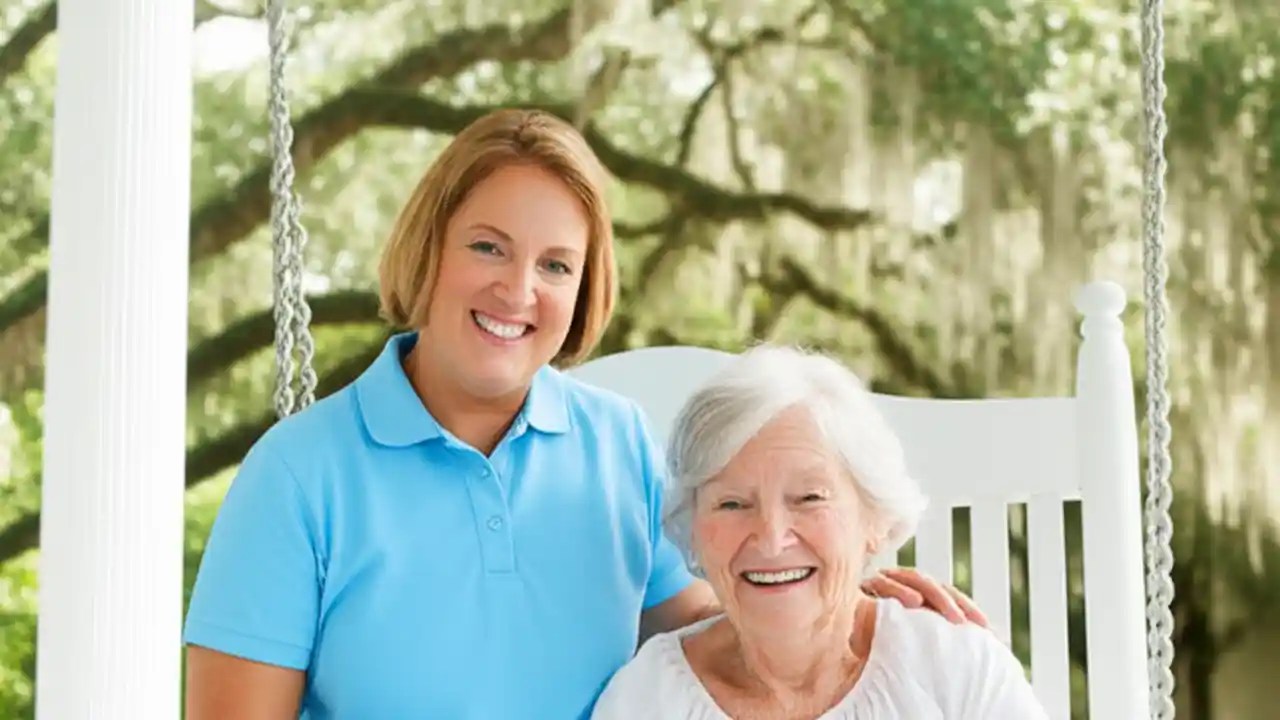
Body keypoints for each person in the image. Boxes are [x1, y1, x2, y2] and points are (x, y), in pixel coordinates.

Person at [182, 108, 982, 720]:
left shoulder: (617, 445)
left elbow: (718, 631)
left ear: (583, 289)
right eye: (488, 247)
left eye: (555, 264)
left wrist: (842, 592)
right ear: (429, 249)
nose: (518, 290)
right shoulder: (298, 475)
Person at [590, 344, 1048, 719]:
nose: (771, 539)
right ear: (692, 530)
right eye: (732, 504)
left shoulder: (952, 668)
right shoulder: (646, 699)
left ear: (875, 518)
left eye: (809, 498)